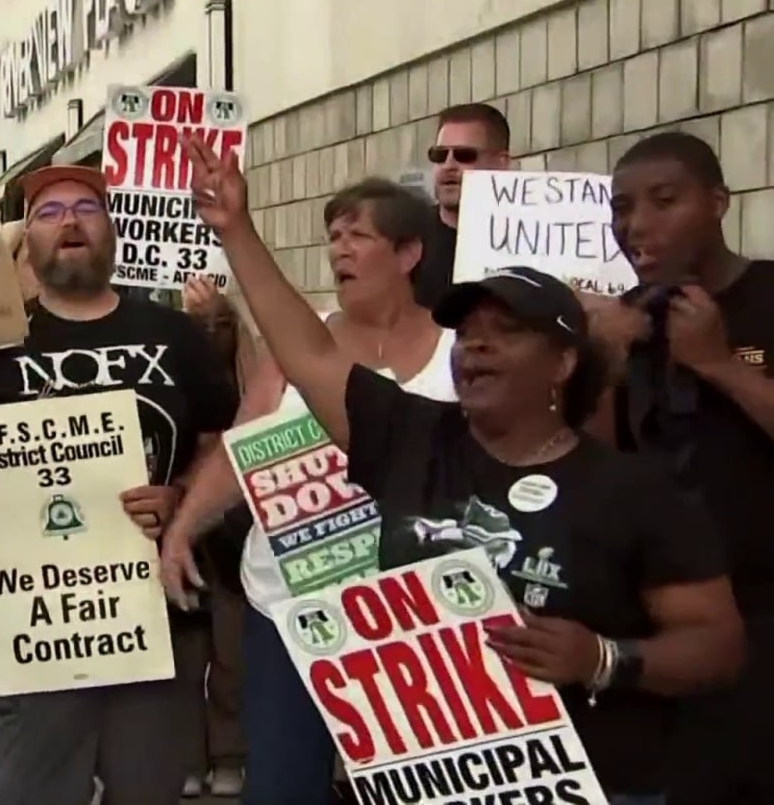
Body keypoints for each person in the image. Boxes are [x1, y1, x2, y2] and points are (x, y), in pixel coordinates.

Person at [173, 134, 746, 805]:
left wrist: (602, 659)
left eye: (505, 331)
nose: (476, 345)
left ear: (564, 362)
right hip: (429, 781)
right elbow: (305, 351)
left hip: (595, 779)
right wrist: (236, 229)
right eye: (469, 331)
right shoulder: (411, 438)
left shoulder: (631, 491)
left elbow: (717, 643)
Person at [0, 164, 238, 805]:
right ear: (27, 242)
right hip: (33, 625)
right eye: (49, 211)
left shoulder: (174, 335)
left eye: (86, 208)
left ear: (112, 232)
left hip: (160, 620)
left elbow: (220, 446)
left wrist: (181, 499)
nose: (69, 220)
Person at [164, 180, 457, 804]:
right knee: (281, 787)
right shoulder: (304, 342)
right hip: (290, 612)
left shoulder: (460, 351)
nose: (339, 251)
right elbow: (242, 445)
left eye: (359, 235)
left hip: (414, 619)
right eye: (333, 237)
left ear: (409, 254)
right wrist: (184, 527)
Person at [590, 132, 774, 805]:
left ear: (719, 203)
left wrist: (718, 364)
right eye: (621, 208)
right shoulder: (628, 322)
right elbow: (601, 471)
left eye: (663, 201)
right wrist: (602, 366)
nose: (636, 226)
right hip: (664, 631)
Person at [174, 276, 249, 799]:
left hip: (236, 540)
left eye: (222, 323)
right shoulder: (170, 381)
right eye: (201, 325)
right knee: (183, 658)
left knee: (230, 655)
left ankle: (227, 754)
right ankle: (186, 756)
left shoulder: (257, 383)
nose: (212, 333)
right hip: (180, 532)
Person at [415, 103, 513, 308]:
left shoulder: (528, 240)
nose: (449, 166)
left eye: (465, 155)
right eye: (439, 156)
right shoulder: (407, 237)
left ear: (501, 164)